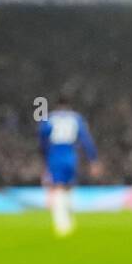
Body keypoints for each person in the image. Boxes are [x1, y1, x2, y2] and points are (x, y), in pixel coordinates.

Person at [37, 102, 99, 237]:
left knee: (57, 187)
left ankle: (62, 224)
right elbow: (85, 140)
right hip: (71, 155)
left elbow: (42, 139)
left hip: (55, 155)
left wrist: (44, 158)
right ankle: (69, 219)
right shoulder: (76, 118)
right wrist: (93, 159)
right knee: (69, 187)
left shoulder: (49, 118)